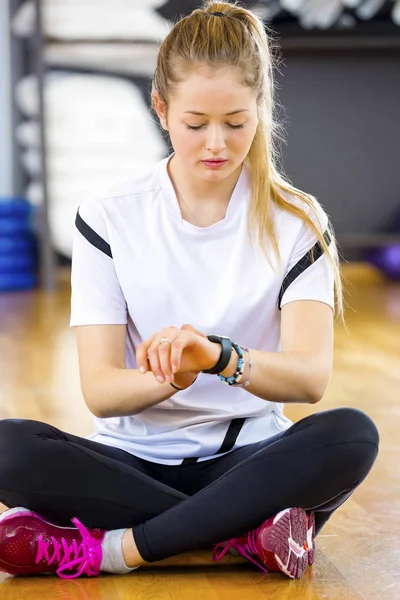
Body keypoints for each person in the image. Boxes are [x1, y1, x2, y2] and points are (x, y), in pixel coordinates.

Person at [0, 0, 378, 582]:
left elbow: (309, 378)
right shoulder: (107, 217)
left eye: (236, 122)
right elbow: (101, 392)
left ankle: (109, 550)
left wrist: (218, 357)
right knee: (10, 448)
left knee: (352, 434)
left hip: (248, 461)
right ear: (162, 109)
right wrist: (171, 376)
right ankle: (246, 535)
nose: (217, 144)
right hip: (131, 464)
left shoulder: (298, 219)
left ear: (260, 109)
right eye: (195, 123)